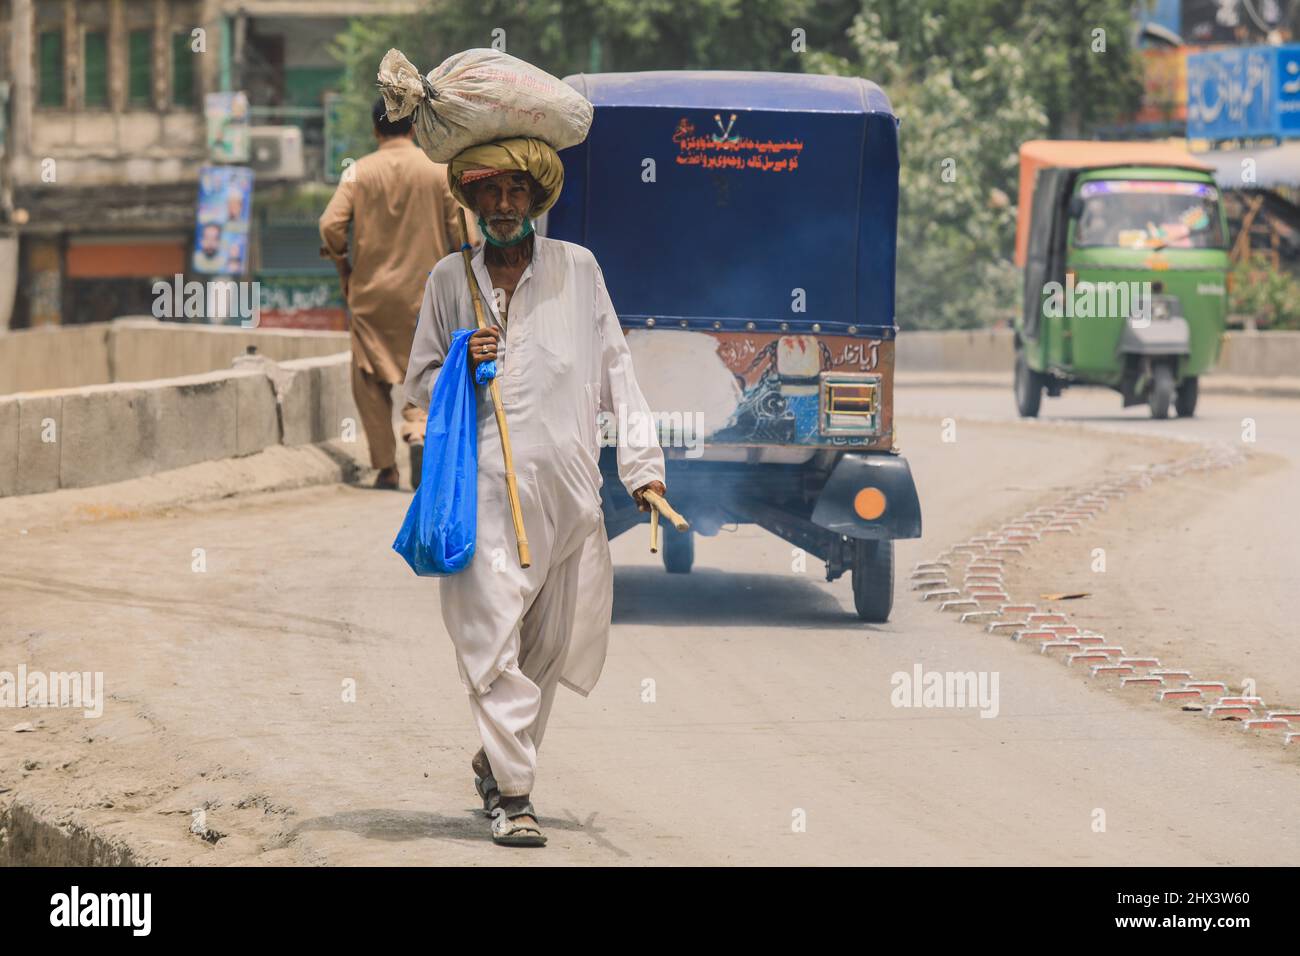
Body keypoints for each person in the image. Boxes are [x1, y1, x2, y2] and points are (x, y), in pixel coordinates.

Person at [404, 137, 666, 847]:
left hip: (572, 495)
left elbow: (617, 366)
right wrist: (462, 357)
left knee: (545, 651)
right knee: (491, 642)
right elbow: (418, 384)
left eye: (516, 192)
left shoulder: (578, 270)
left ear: (536, 199)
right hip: (484, 494)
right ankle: (515, 797)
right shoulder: (448, 281)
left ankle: (496, 761)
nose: (503, 205)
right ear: (473, 201)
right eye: (488, 192)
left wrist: (641, 466)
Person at [319, 98, 476, 489]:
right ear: (413, 129)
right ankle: (417, 430)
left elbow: (330, 225)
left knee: (368, 378)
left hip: (370, 295)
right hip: (427, 293)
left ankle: (386, 466)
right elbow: (467, 235)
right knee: (423, 365)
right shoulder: (437, 171)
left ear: (376, 131)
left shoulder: (358, 171)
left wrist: (344, 267)